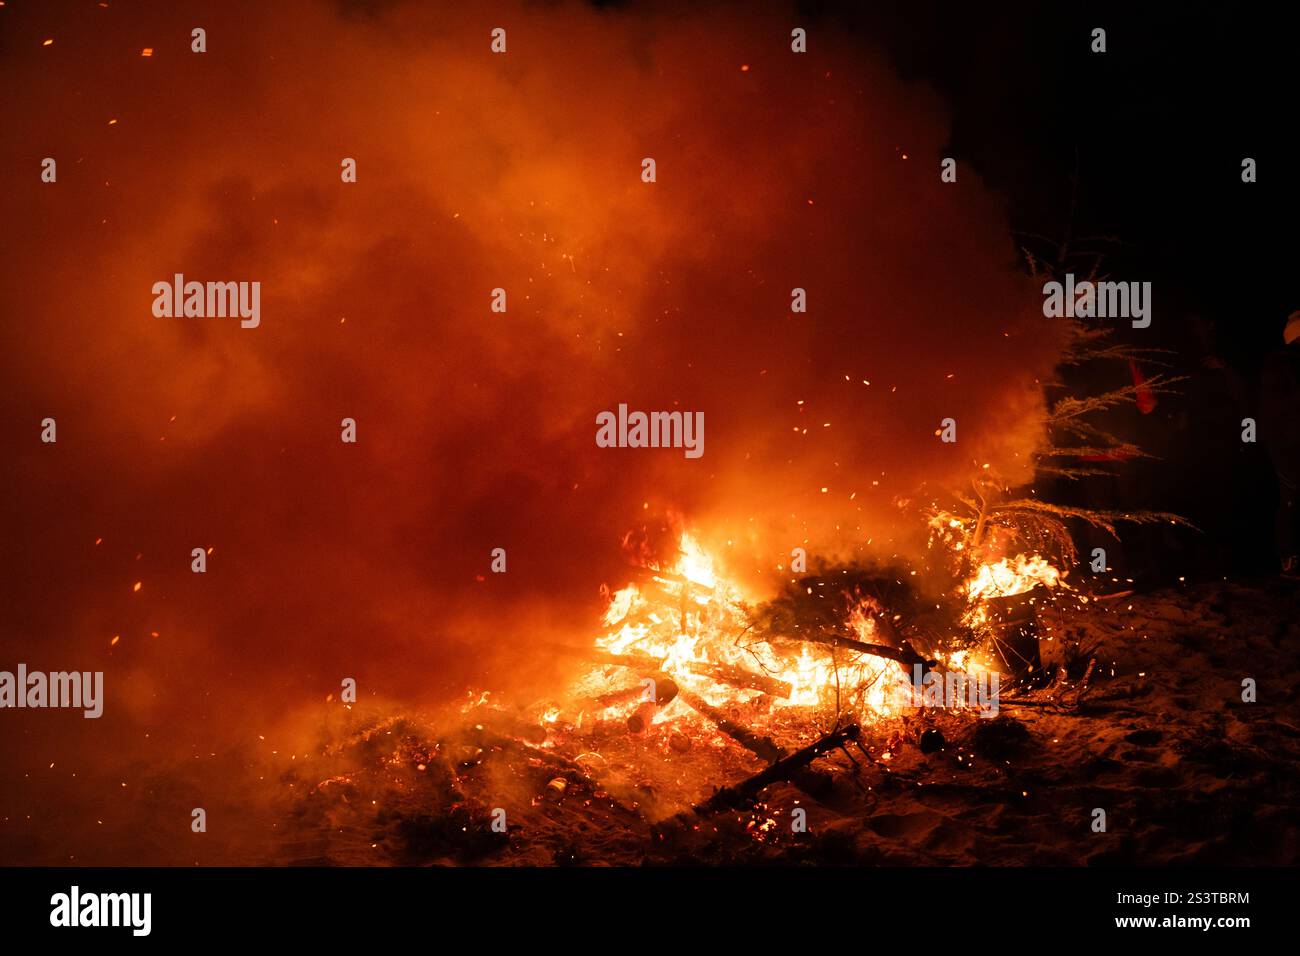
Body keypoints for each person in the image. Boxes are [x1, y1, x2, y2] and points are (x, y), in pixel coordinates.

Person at [1259, 311, 1300, 578]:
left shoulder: (1281, 365)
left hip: (1284, 442)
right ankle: (1290, 557)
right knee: (1292, 499)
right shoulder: (1283, 366)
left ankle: (1290, 556)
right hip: (1288, 444)